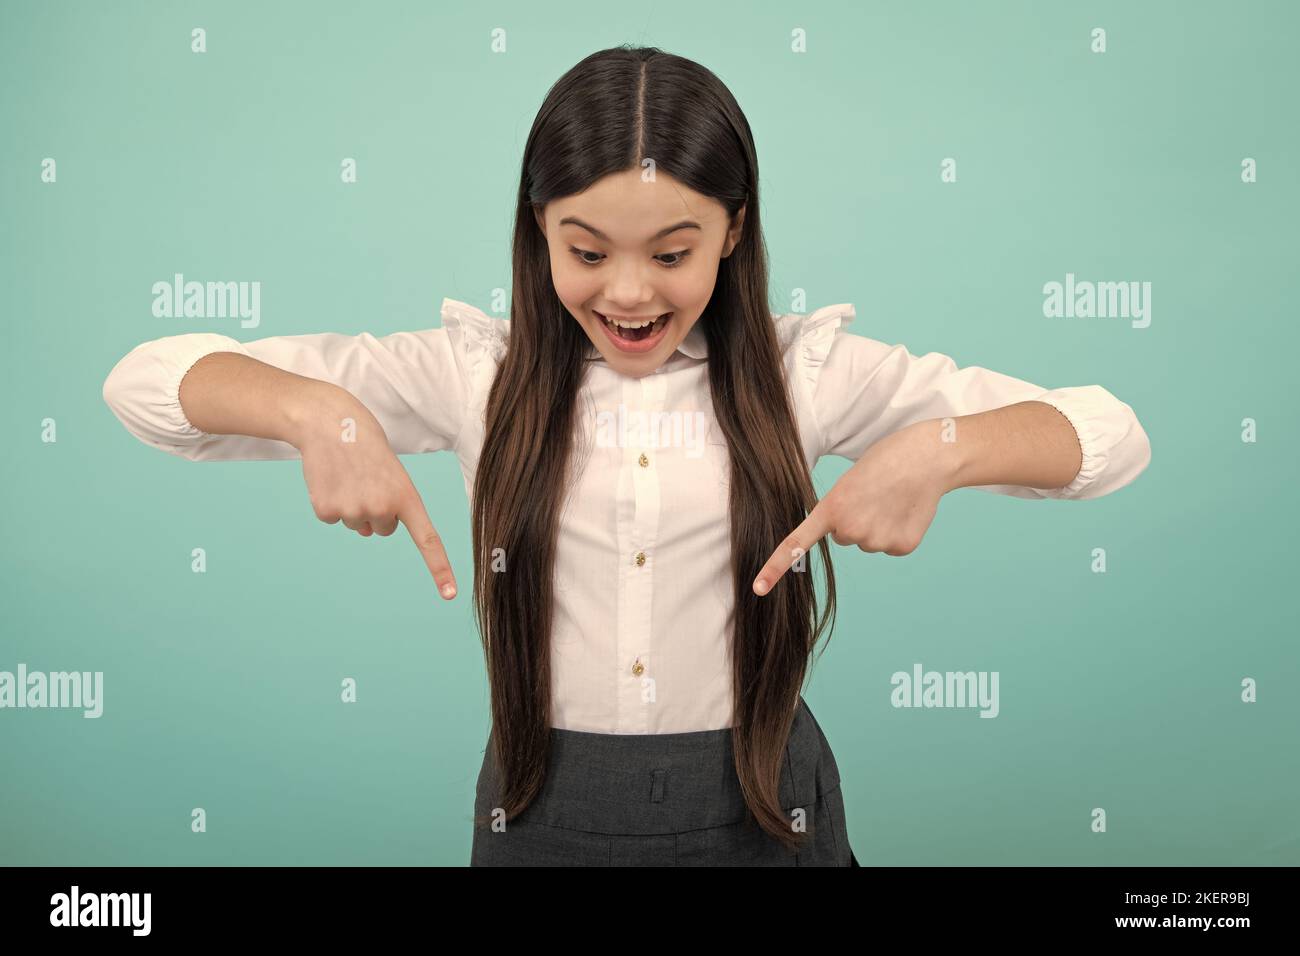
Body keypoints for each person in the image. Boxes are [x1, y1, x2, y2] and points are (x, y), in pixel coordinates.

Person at [102, 45, 1152, 866]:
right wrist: (315, 412)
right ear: (539, 228)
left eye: (674, 251)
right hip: (539, 811)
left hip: (764, 805)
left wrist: (943, 447)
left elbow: (1107, 432)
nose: (631, 293)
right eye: (587, 250)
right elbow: (149, 382)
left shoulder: (803, 373)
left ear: (734, 232)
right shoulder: (474, 373)